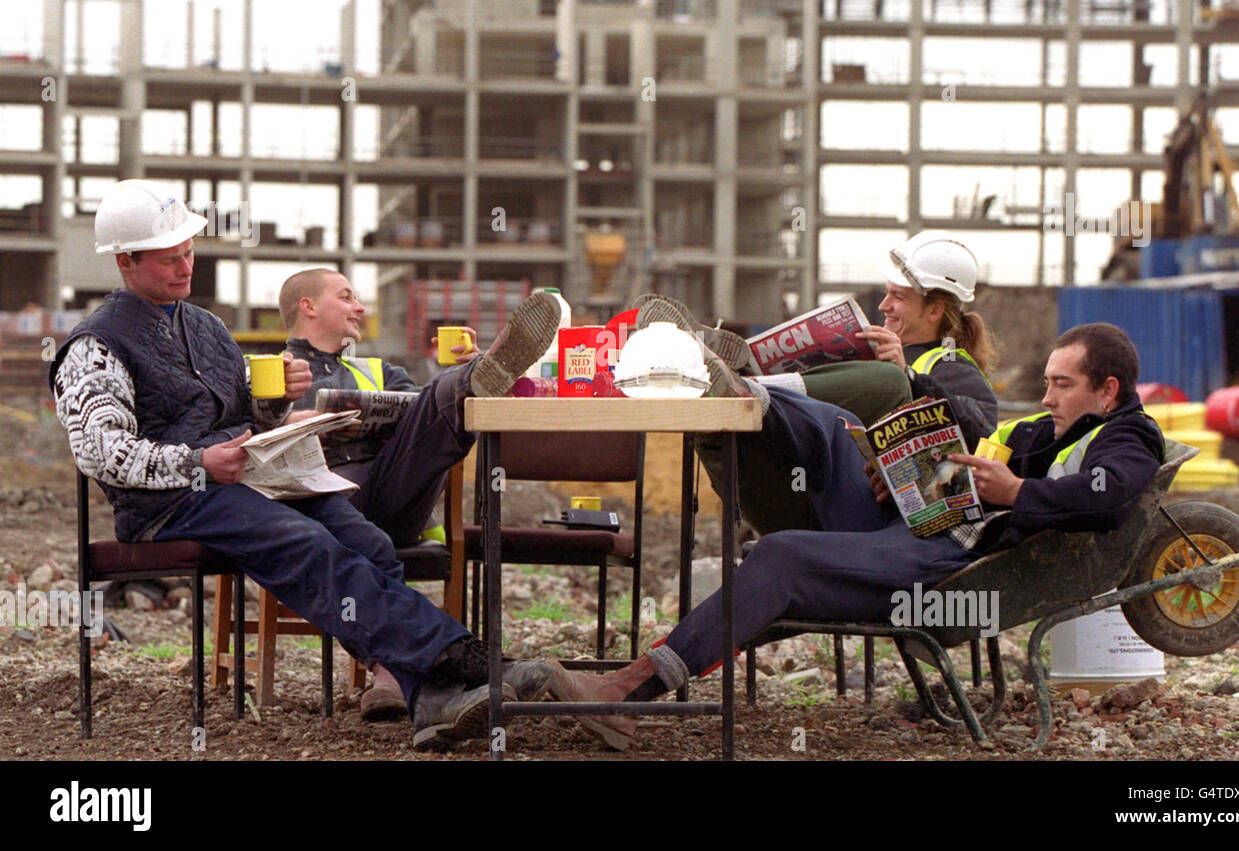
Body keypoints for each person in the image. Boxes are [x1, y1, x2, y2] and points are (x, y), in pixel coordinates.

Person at [49, 180, 563, 750]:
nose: (185, 266)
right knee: (308, 545)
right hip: (174, 499)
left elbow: (244, 413)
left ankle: (430, 696)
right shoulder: (95, 346)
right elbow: (99, 450)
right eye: (170, 258)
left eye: (189, 251)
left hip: (248, 477)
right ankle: (467, 664)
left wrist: (274, 403)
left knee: (366, 542)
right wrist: (196, 461)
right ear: (126, 260)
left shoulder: (206, 328)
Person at [549, 322, 1164, 749]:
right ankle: (742, 387)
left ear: (1107, 390)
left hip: (948, 564)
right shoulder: (1051, 427)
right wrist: (906, 473)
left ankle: (628, 692)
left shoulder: (1127, 437)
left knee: (782, 556)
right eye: (1050, 381)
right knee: (840, 423)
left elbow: (1105, 499)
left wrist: (1017, 493)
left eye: (1063, 384)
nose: (1048, 394)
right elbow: (978, 469)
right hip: (929, 522)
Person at [638, 231, 999, 536]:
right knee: (718, 429)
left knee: (887, 382)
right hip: (807, 496)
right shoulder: (878, 351)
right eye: (887, 293)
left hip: (875, 517)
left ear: (935, 310)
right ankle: (738, 383)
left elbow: (983, 435)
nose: (885, 305)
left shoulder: (950, 366)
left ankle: (748, 386)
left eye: (899, 297)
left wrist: (911, 379)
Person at [275, 267, 510, 720]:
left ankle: (481, 373)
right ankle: (389, 671)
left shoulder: (378, 370)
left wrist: (458, 378)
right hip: (323, 509)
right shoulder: (274, 377)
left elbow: (427, 425)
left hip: (391, 496)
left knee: (442, 397)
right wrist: (298, 427)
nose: (360, 307)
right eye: (346, 297)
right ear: (309, 307)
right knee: (349, 534)